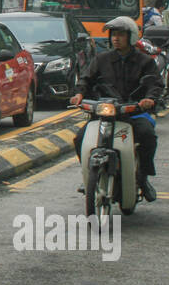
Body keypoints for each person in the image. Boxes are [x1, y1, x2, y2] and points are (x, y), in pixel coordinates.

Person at [69, 16, 162, 202]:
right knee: (80, 138)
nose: (115, 38)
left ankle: (142, 176)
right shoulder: (101, 59)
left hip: (133, 113)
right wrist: (79, 94)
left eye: (120, 34)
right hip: (105, 113)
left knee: (148, 135)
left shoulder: (145, 62)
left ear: (132, 37)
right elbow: (86, 79)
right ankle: (88, 177)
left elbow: (155, 84)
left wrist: (149, 99)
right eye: (113, 35)